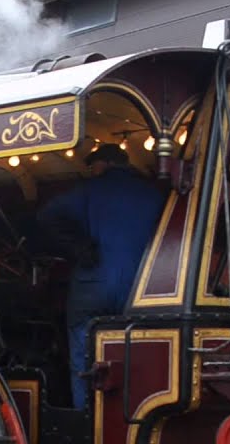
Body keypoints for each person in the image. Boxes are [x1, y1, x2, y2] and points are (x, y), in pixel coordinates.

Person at [36, 143, 166, 409]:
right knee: (137, 355)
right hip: (141, 288)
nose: (91, 170)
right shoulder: (154, 196)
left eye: (92, 165)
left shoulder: (89, 191)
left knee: (82, 349)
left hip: (94, 283)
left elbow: (47, 216)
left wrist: (79, 247)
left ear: (103, 165)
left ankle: (85, 416)